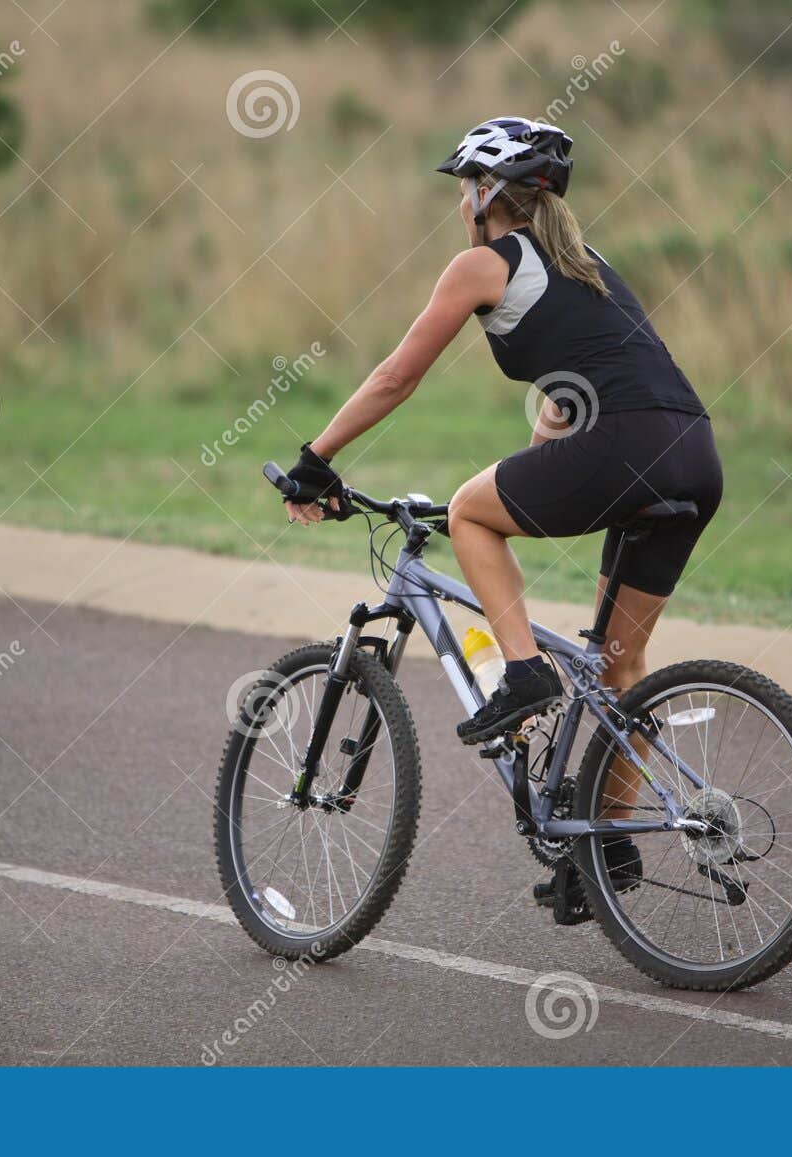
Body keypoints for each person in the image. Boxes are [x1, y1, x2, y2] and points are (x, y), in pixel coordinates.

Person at [280, 116, 723, 778]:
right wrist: (537, 458)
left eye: (465, 189)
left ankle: (523, 672)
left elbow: (397, 377)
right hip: (694, 451)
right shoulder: (588, 263)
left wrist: (317, 460)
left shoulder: (483, 265)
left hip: (625, 443)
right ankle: (604, 859)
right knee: (619, 666)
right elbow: (575, 386)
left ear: (487, 193)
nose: (462, 204)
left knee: (468, 511)